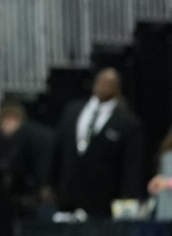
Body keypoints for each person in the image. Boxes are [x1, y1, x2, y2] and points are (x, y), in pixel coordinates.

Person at [49, 68, 146, 218]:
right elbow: (58, 149)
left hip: (103, 203)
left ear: (117, 88)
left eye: (110, 83)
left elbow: (131, 166)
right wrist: (49, 183)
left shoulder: (127, 122)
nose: (104, 86)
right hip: (68, 197)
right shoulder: (72, 111)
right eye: (101, 81)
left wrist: (128, 200)